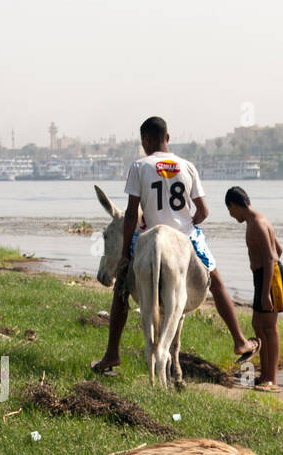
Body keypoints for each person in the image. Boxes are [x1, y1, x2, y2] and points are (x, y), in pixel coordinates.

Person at [91, 116, 255, 374]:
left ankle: (112, 353)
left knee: (121, 288)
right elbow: (203, 211)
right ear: (167, 137)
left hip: (150, 235)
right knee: (217, 282)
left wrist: (125, 254)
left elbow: (132, 214)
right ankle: (240, 341)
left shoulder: (139, 165)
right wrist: (188, 224)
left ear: (145, 140)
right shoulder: (187, 166)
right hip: (186, 236)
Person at [225, 186, 283, 392]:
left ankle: (272, 380)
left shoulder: (258, 224)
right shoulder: (257, 220)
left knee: (269, 328)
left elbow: (272, 257)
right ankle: (264, 375)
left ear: (234, 205)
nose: (231, 215)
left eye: (230, 210)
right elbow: (278, 248)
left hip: (270, 277)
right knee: (258, 324)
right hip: (263, 275)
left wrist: (265, 293)